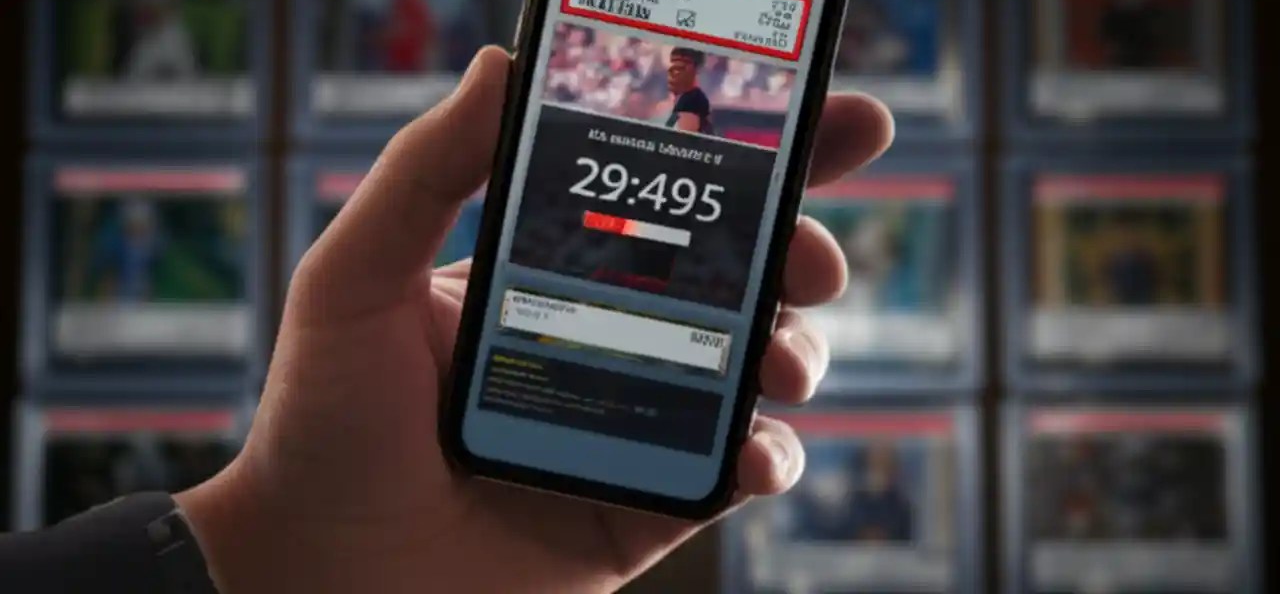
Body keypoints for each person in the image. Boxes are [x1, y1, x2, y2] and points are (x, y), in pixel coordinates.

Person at [0, 46, 895, 593]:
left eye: (681, 70)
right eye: (667, 68)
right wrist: (274, 548)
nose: (671, 75)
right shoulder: (659, 120)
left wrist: (274, 557)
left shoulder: (691, 116)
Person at [664, 47, 715, 135]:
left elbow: (684, 142)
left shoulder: (692, 101)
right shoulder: (681, 98)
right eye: (674, 63)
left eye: (682, 66)